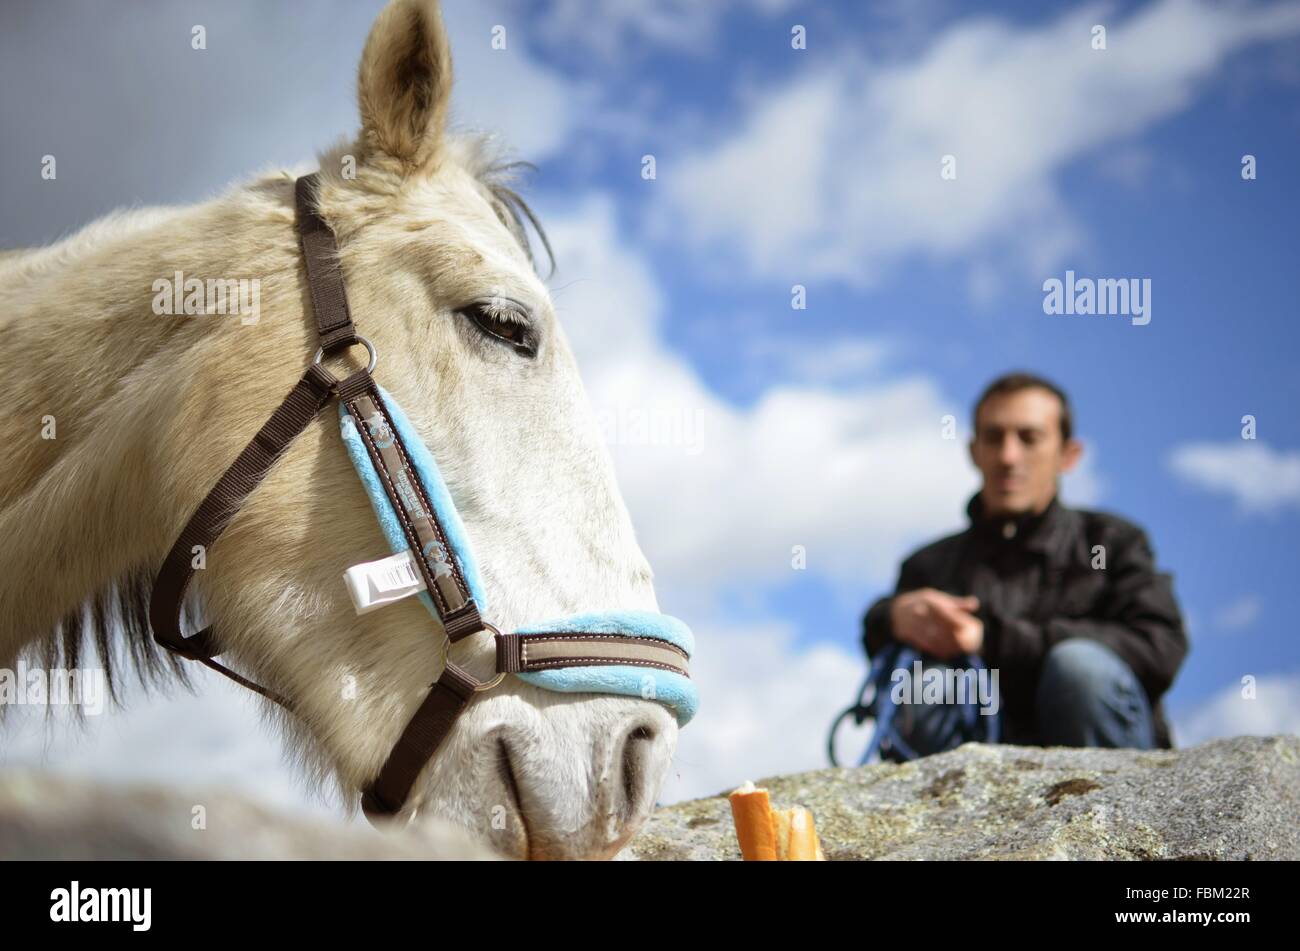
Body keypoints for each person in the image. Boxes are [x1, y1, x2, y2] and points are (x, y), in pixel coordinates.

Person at [862, 372, 1188, 757]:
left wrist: (992, 640)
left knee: (1080, 668)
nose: (1008, 456)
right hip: (969, 771)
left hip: (1098, 750)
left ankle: (1115, 808)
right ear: (973, 451)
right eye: (994, 437)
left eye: (1029, 438)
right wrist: (892, 618)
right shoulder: (929, 565)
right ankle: (935, 809)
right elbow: (880, 650)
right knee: (927, 683)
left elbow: (1159, 647)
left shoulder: (1113, 543)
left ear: (1069, 455)